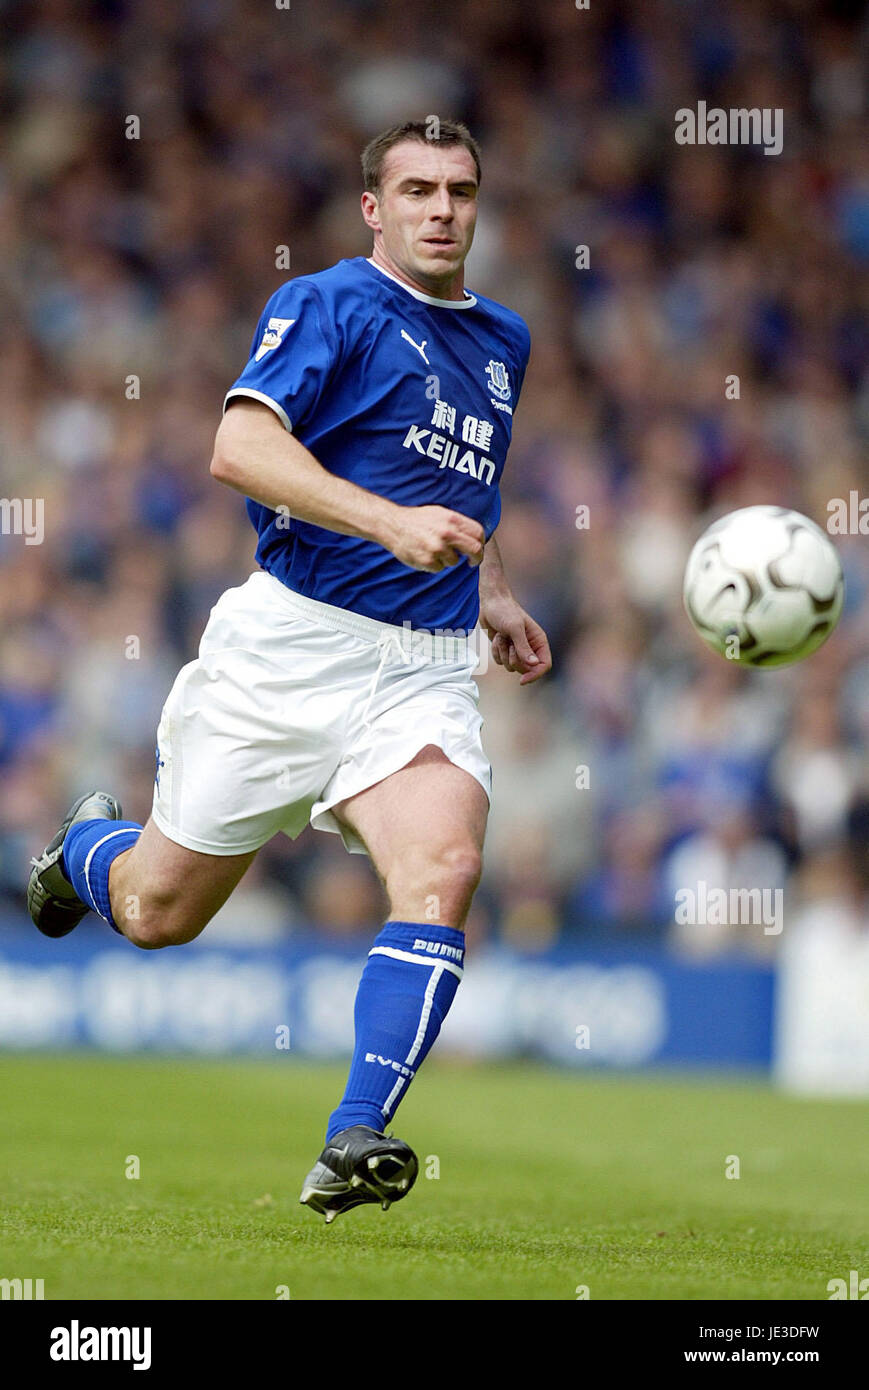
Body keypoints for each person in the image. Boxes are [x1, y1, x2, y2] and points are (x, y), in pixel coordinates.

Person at [28, 119, 552, 1223]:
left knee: (444, 865)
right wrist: (381, 521)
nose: (440, 209)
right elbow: (240, 448)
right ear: (374, 206)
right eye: (415, 189)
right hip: (288, 649)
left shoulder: (503, 340)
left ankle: (353, 1134)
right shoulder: (324, 304)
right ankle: (87, 847)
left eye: (458, 189)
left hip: (420, 665)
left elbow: (466, 486)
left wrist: (491, 589)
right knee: (158, 911)